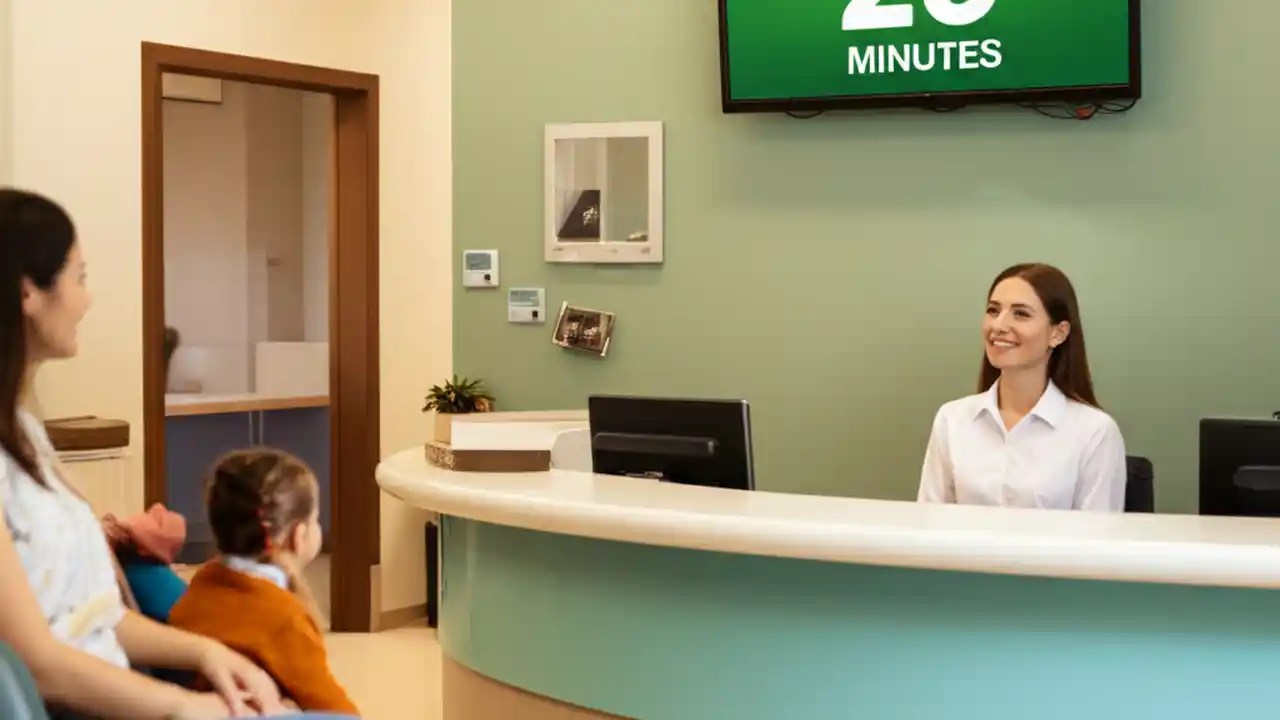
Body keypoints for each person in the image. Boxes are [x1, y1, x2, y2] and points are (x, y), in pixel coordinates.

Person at [0, 187, 285, 718]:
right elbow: (40, 665)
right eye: (79, 277)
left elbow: (93, 618)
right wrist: (184, 708)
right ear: (27, 293)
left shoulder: (23, 436)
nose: (88, 299)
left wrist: (209, 652)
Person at [917, 263, 1127, 511]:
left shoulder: (1095, 432)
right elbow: (928, 525)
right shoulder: (952, 419)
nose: (999, 325)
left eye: (1021, 314)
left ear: (1058, 334)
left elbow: (1097, 542)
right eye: (993, 311)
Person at [170, 449, 360, 716]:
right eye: (315, 518)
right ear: (299, 535)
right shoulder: (284, 618)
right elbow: (333, 707)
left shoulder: (204, 582)